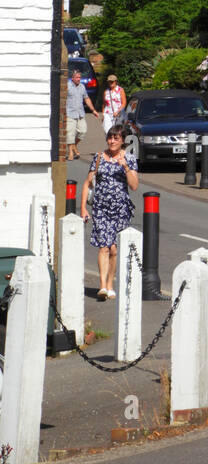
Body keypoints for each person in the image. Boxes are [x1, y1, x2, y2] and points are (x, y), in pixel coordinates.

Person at [81, 127, 139, 300]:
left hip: (120, 209)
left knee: (114, 249)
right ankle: (102, 286)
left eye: (116, 138)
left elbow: (134, 185)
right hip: (101, 208)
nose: (112, 141)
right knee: (104, 247)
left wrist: (125, 167)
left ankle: (110, 283)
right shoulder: (99, 158)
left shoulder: (129, 159)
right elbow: (87, 183)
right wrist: (83, 207)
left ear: (122, 141)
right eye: (110, 138)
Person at [66, 68, 100, 161]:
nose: (78, 79)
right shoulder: (67, 86)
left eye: (79, 77)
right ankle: (70, 152)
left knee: (82, 131)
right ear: (72, 78)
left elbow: (86, 98)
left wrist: (93, 110)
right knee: (70, 133)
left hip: (80, 113)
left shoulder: (82, 87)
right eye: (77, 77)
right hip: (70, 113)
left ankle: (74, 145)